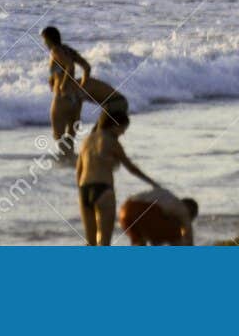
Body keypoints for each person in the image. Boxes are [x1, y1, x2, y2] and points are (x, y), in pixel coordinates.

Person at [75, 108, 157, 246]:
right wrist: (153, 183)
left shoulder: (87, 141)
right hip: (103, 189)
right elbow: (131, 168)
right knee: (104, 242)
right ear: (114, 125)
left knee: (90, 243)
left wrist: (81, 191)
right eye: (123, 129)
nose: (123, 133)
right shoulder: (112, 142)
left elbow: (79, 170)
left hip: (84, 190)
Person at [41, 26, 91, 154]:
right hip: (76, 98)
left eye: (44, 40)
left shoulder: (55, 51)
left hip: (62, 97)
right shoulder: (67, 49)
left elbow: (69, 65)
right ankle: (70, 160)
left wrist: (63, 84)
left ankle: (66, 159)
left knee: (58, 136)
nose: (44, 43)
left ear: (49, 39)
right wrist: (82, 86)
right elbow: (86, 67)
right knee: (69, 137)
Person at [118, 189, 198, 245]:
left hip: (126, 210)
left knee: (139, 242)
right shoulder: (183, 210)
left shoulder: (169, 198)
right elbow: (189, 242)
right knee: (175, 236)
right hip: (146, 209)